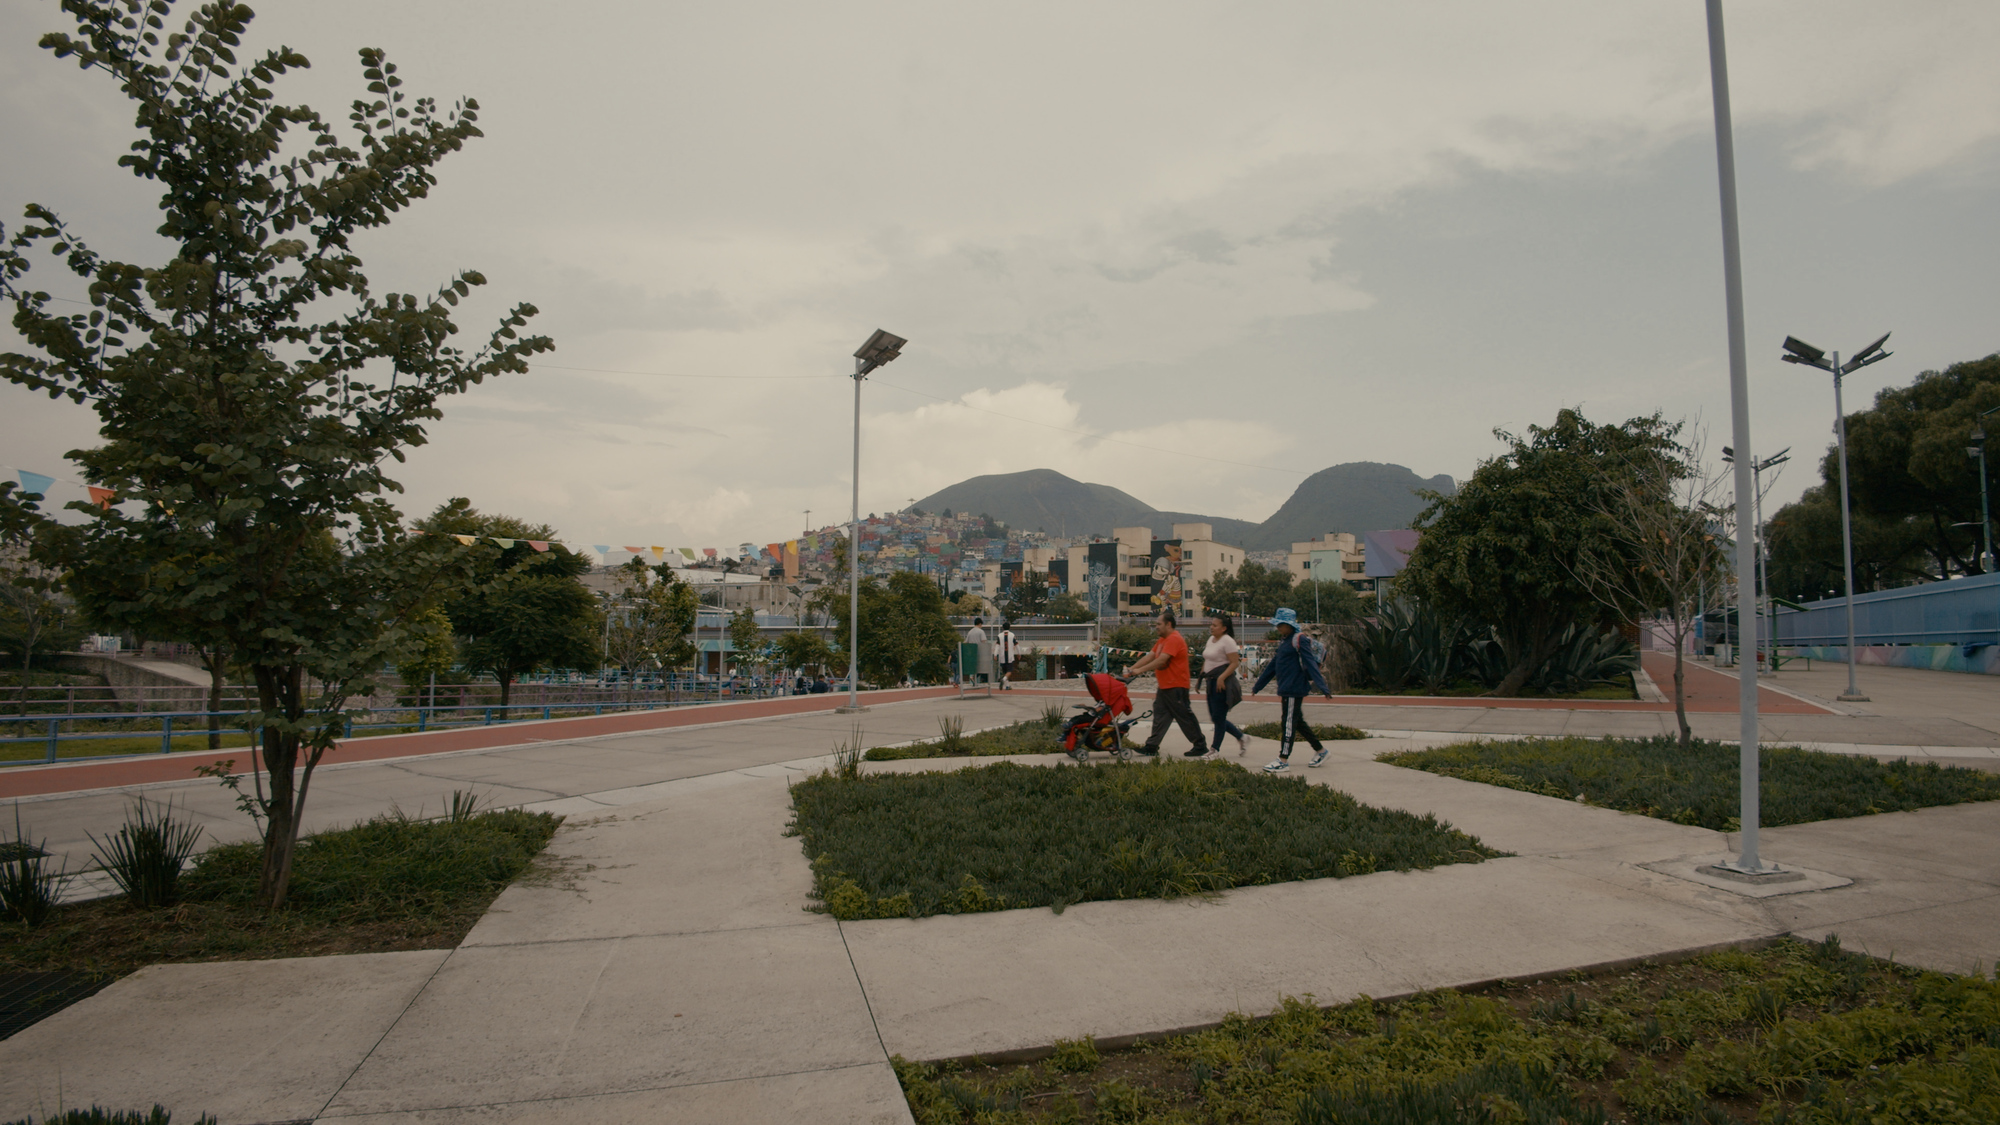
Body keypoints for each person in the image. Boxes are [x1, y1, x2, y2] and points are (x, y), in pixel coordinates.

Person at [1250, 607, 1334, 772]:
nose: (1278, 627)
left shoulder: (1299, 639)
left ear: (1290, 625)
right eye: (1278, 624)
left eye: (1281, 624)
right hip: (1286, 687)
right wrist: (1258, 686)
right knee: (1298, 723)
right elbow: (1273, 665)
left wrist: (1323, 686)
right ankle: (1321, 751)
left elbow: (1310, 662)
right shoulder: (1285, 641)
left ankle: (1283, 759)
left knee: (1288, 723)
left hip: (1294, 688)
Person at [1122, 611, 1206, 758]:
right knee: (1160, 715)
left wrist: (1139, 671)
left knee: (1184, 716)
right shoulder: (1162, 640)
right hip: (1165, 686)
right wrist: (1131, 669)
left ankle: (1200, 745)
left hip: (1177, 686)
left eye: (1159, 624)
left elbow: (1161, 660)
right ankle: (1152, 746)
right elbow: (1151, 656)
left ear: (1168, 624)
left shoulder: (1174, 639)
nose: (1156, 627)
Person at [1201, 613, 1248, 757]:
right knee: (1215, 717)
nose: (1211, 627)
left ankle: (1215, 749)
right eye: (1211, 624)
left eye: (1215, 625)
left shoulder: (1228, 641)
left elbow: (1235, 662)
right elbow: (1208, 658)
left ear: (1224, 628)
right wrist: (1202, 675)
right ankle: (1241, 737)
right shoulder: (1211, 639)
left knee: (1219, 717)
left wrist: (1222, 677)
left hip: (1222, 683)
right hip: (1210, 681)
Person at [966, 617, 989, 683]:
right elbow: (983, 641)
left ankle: (972, 678)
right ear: (979, 624)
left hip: (971, 652)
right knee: (982, 667)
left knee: (974, 666)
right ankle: (978, 678)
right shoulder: (981, 631)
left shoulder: (970, 632)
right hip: (979, 651)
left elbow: (966, 642)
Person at [996, 621, 1018, 690]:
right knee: (1009, 671)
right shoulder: (1012, 635)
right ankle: (1003, 679)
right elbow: (1017, 645)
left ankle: (1007, 686)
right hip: (1010, 657)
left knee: (1005, 672)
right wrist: (1019, 653)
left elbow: (997, 645)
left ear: (1002, 628)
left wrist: (995, 654)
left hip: (1002, 657)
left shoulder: (999, 636)